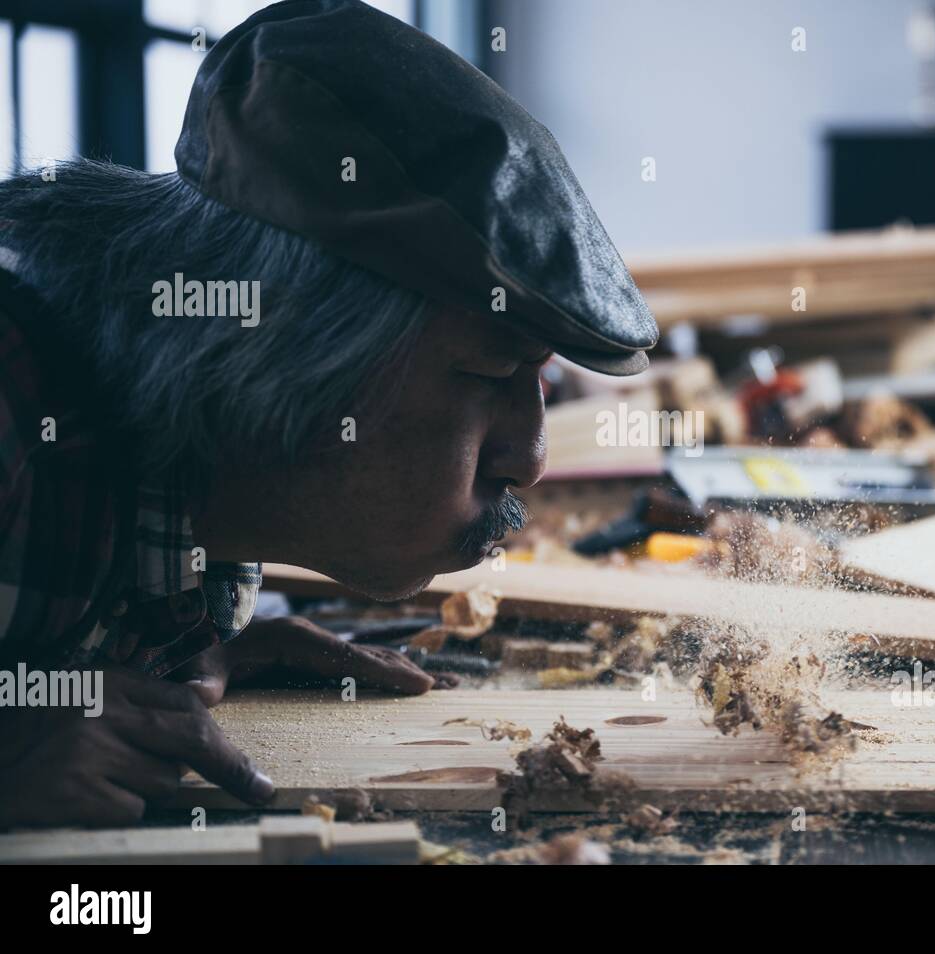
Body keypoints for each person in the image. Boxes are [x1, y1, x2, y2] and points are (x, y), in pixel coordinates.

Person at [0, 0, 657, 828]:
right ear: (279, 350)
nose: (528, 460)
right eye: (488, 373)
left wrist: (167, 651)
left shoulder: (188, 473)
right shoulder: (13, 420)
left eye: (541, 387)